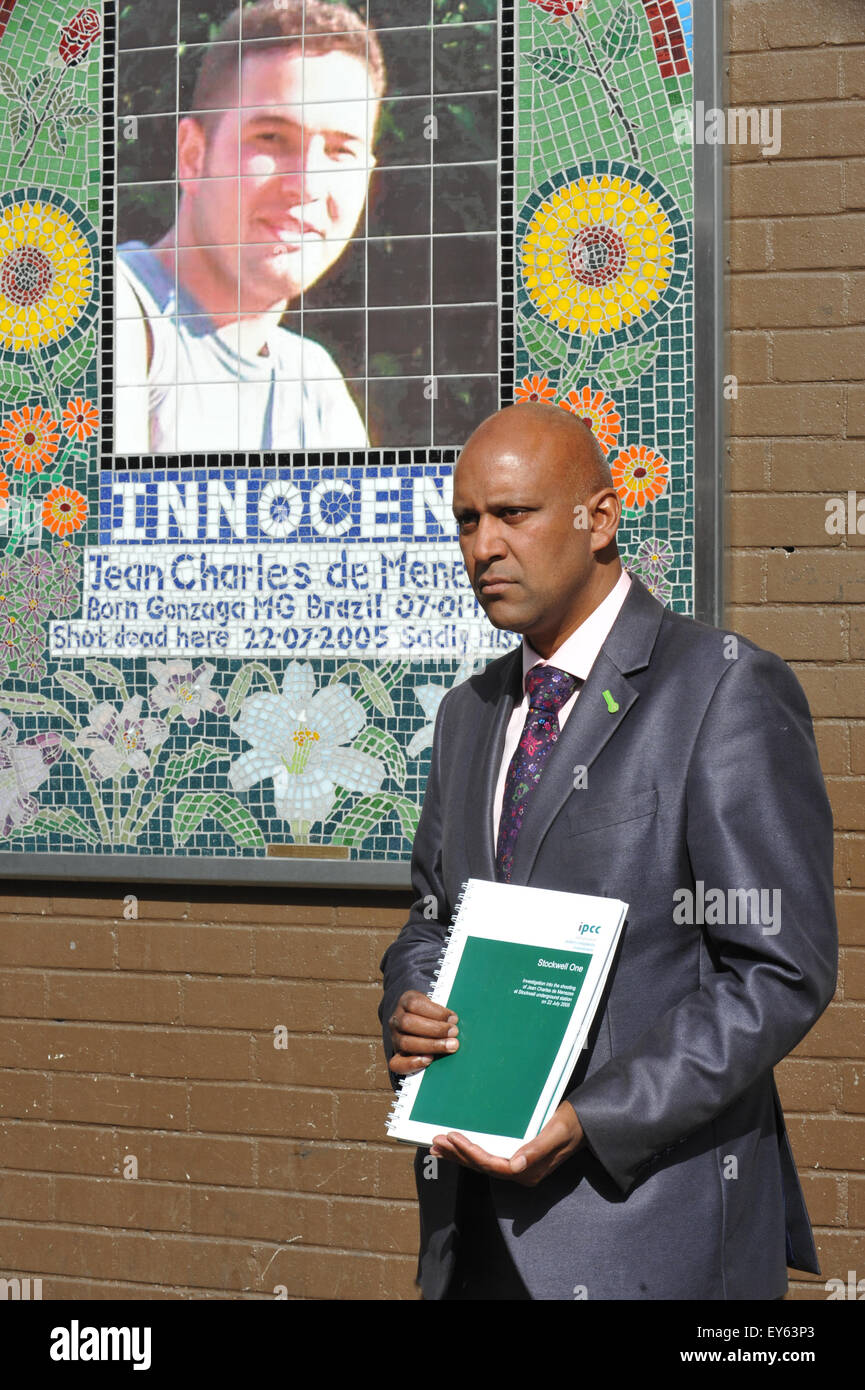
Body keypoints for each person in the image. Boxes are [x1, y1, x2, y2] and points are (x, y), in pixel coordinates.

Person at [379, 400, 838, 1300]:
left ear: (599, 518)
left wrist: (595, 1116)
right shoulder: (467, 713)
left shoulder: (721, 691)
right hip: (471, 1228)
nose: (483, 547)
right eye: (467, 520)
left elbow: (779, 973)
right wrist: (413, 997)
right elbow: (430, 915)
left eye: (513, 514)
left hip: (647, 1237)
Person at [115, 0, 384, 453]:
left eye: (341, 151)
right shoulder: (107, 313)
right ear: (192, 155)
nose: (307, 185)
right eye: (271, 138)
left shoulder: (314, 388)